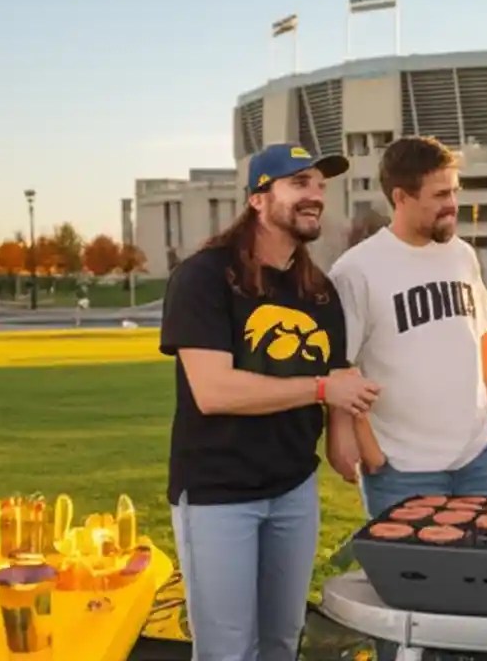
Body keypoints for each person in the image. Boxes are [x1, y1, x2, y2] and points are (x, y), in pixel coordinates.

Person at [159, 142, 380, 661]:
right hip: (218, 494)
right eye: (299, 183)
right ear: (259, 198)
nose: (315, 195)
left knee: (282, 641)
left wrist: (350, 437)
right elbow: (213, 392)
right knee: (227, 649)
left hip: (293, 490)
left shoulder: (319, 292)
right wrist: (325, 389)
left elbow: (336, 398)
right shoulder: (204, 278)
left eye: (320, 185)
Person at [328, 135, 487, 519]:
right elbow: (342, 369)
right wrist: (369, 449)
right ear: (401, 198)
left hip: (478, 460)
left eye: (454, 192)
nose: (452, 205)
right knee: (415, 579)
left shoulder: (462, 255)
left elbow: (483, 337)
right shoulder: (356, 269)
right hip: (402, 471)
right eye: (440, 195)